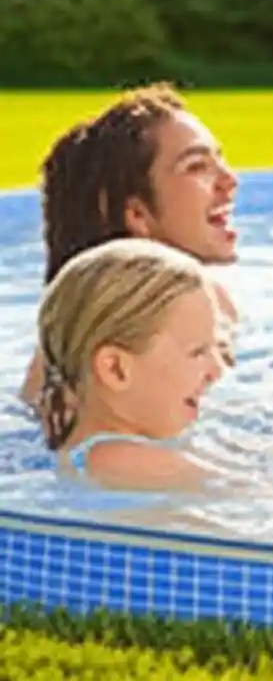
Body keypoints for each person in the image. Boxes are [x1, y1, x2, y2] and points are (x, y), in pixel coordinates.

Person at [20, 82, 241, 406]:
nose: (229, 180)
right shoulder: (84, 347)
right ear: (136, 214)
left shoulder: (211, 301)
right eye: (196, 167)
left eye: (219, 161)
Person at [38, 238, 226, 491]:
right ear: (115, 369)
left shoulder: (125, 446)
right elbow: (254, 497)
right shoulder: (116, 458)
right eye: (197, 352)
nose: (217, 371)